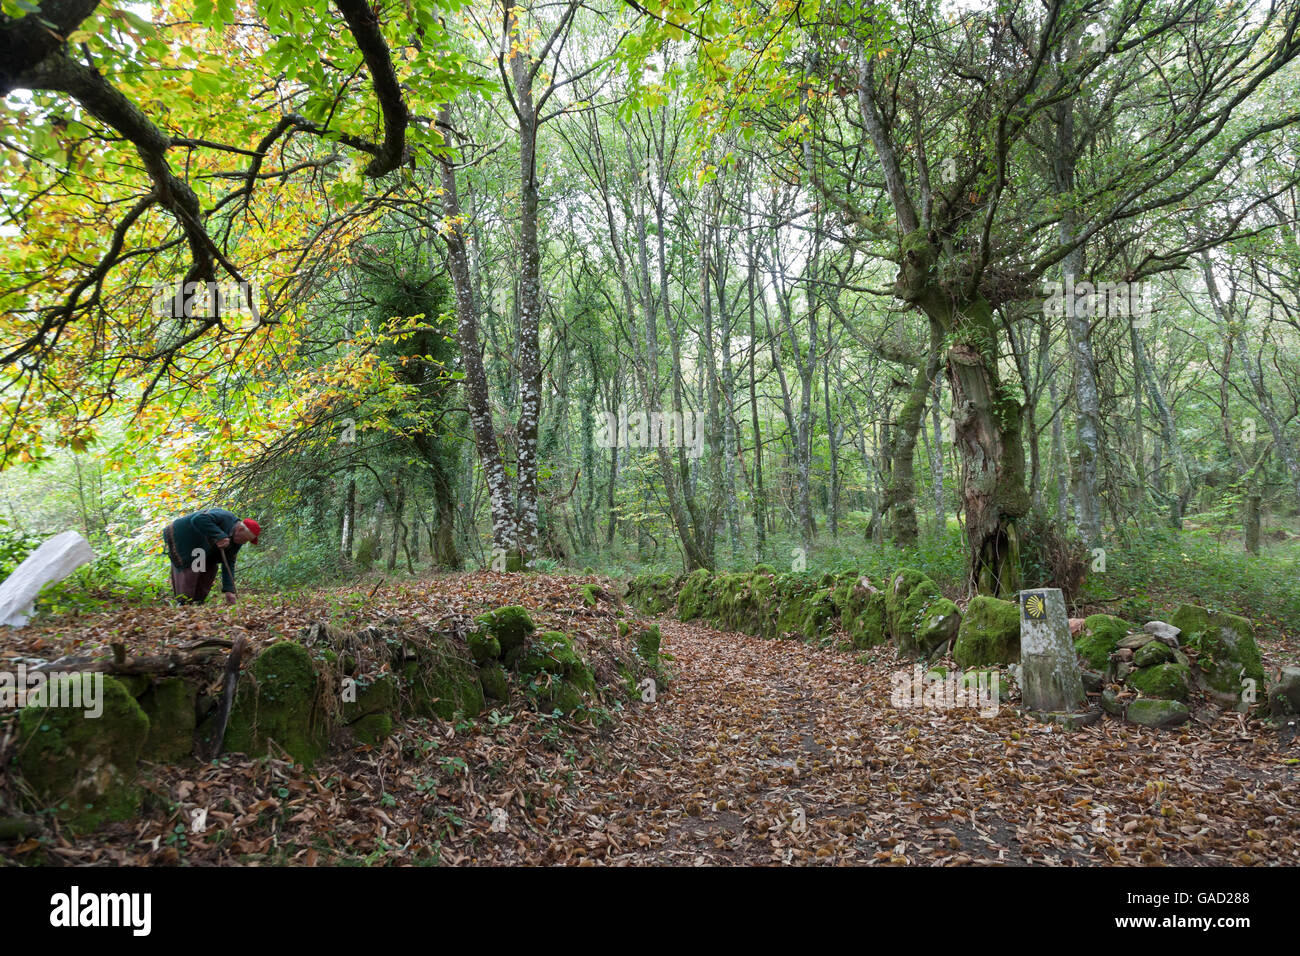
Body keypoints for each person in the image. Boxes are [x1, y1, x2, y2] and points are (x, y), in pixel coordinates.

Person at [162, 509, 260, 605]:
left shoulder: (238, 541)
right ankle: (184, 602)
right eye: (244, 539)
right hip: (183, 535)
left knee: (210, 567)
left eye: (247, 541)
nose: (244, 542)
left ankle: (197, 601)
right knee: (193, 568)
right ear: (240, 529)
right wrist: (219, 536)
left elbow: (229, 562)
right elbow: (198, 519)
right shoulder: (225, 516)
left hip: (202, 547)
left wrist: (229, 590)